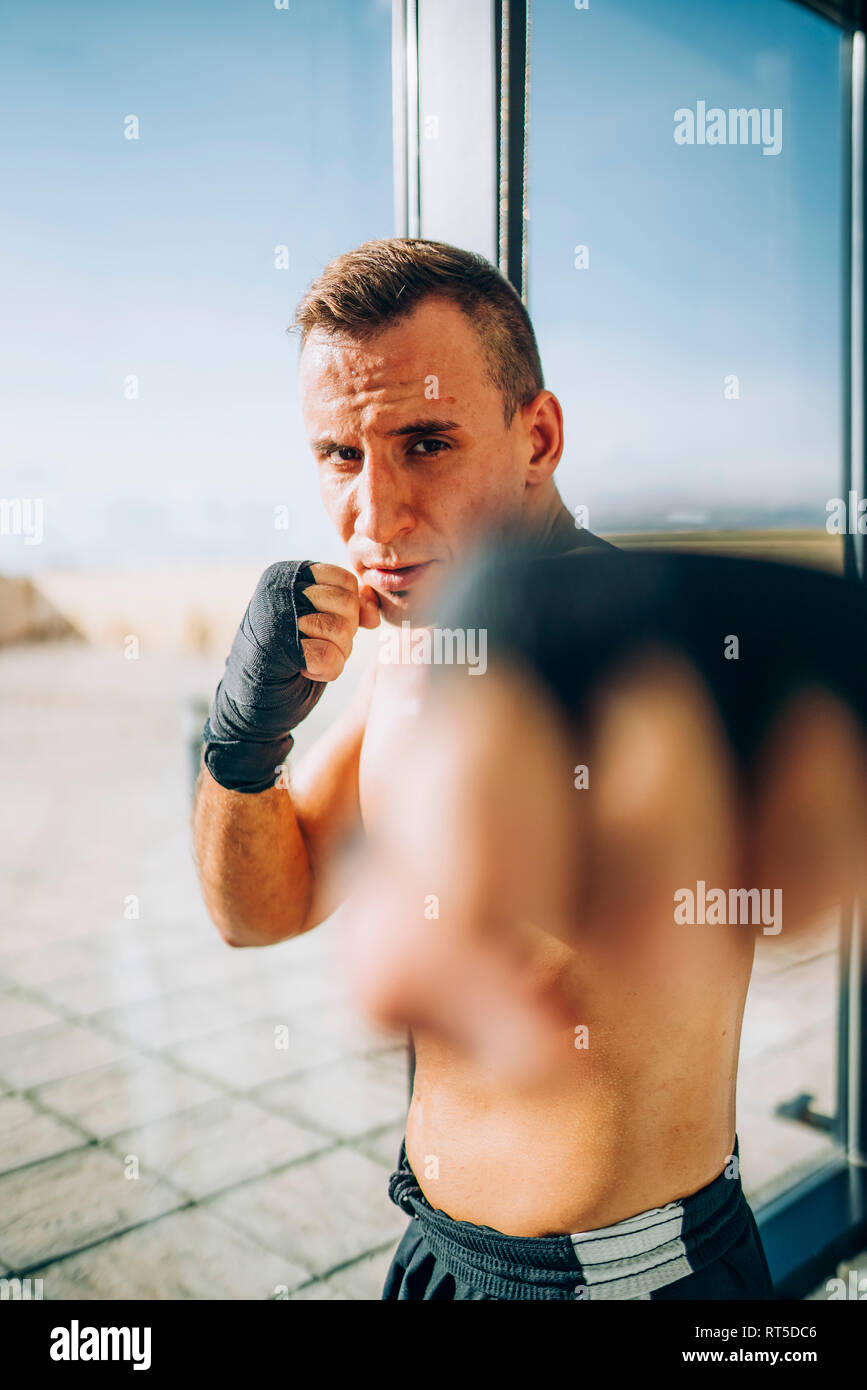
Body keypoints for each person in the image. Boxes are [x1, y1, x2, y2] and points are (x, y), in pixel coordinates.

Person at [193, 238, 867, 1300]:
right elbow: (259, 911)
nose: (376, 515)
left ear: (536, 435)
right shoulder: (415, 647)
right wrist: (243, 741)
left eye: (426, 441)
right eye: (339, 455)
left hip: (638, 1284)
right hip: (434, 1258)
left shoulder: (629, 665)